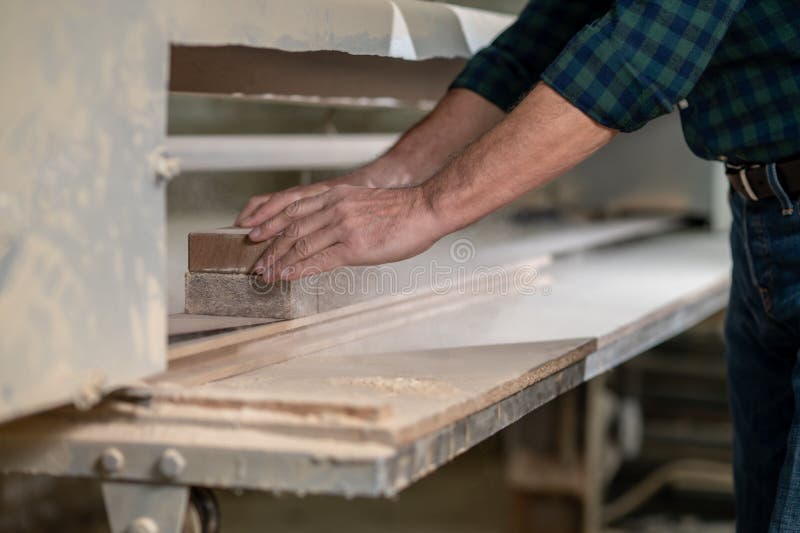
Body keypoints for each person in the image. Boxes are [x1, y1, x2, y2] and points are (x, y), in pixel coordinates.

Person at [235, 2, 799, 529]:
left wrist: (425, 208)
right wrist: (385, 178)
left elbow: (635, 57)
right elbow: (533, 49)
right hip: (761, 218)